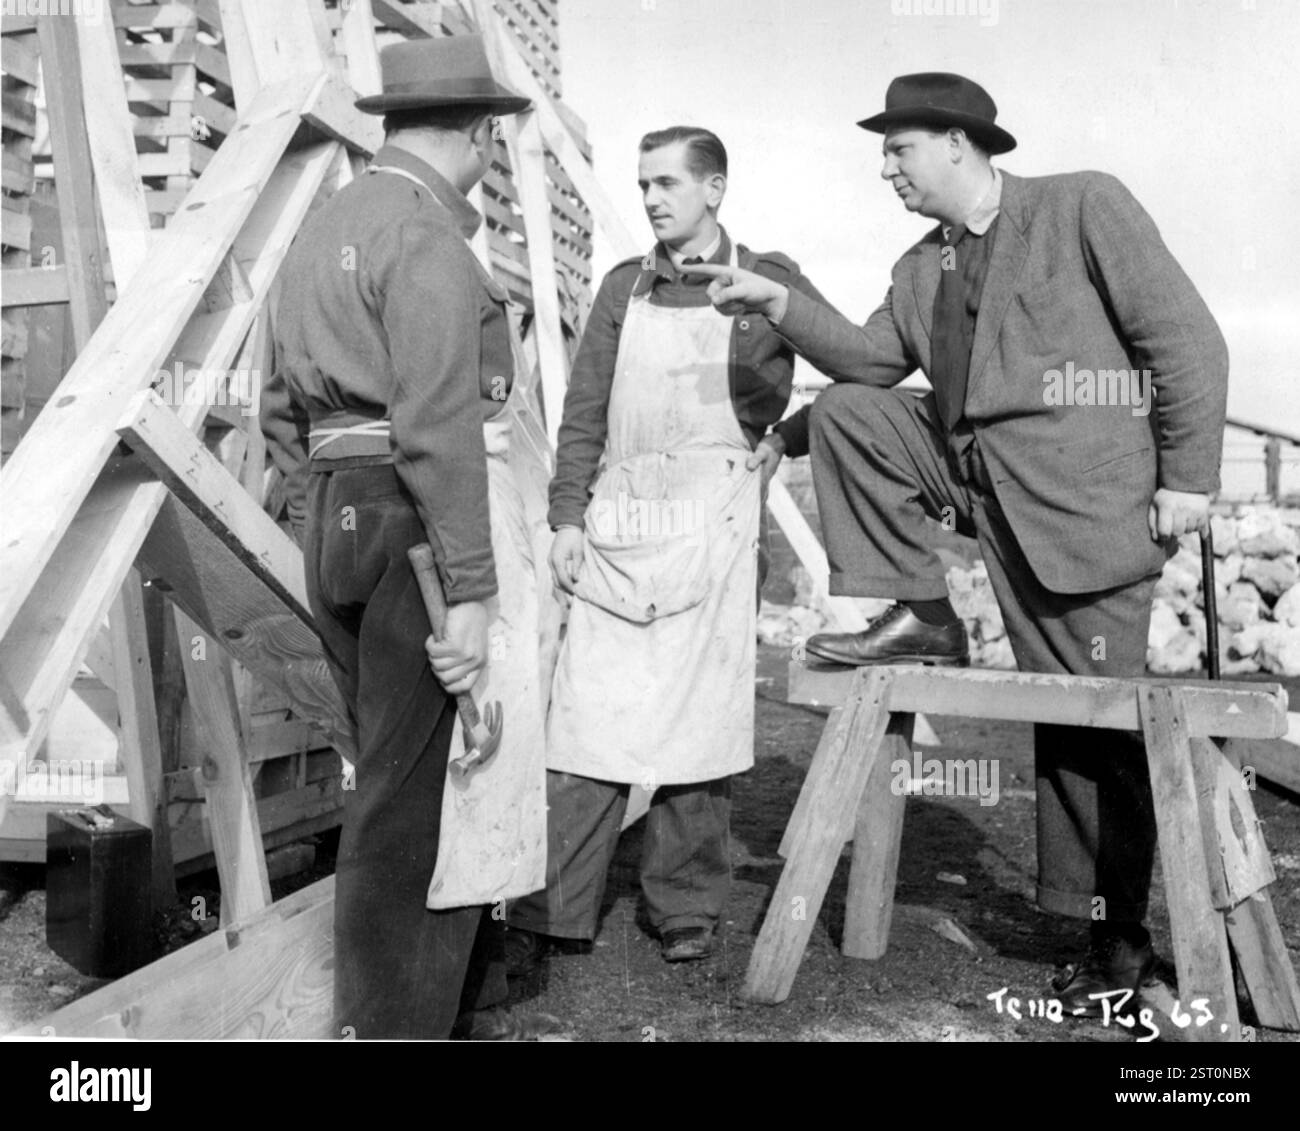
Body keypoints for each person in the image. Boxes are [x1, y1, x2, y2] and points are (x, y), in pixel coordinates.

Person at [689, 73, 1228, 1012]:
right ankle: (925, 614)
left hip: (1087, 512)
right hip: (983, 496)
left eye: (898, 149)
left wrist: (1188, 479)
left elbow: (1188, 341)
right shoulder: (917, 268)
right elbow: (865, 362)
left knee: (1089, 728)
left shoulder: (1081, 205)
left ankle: (1120, 944)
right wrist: (778, 300)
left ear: (957, 142)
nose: (885, 168)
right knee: (853, 410)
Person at [261, 36, 555, 1040]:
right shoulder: (428, 243)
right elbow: (438, 432)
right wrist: (469, 595)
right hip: (412, 530)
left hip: (337, 516)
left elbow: (274, 414)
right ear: (478, 133)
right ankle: (390, 1030)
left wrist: (324, 518)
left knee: (381, 773)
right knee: (413, 804)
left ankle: (382, 1017)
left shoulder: (321, 232)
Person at [506, 126, 837, 968]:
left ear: (714, 188)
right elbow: (582, 415)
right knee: (587, 717)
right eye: (643, 183)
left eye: (667, 183)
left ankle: (684, 905)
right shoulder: (625, 289)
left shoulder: (770, 278)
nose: (651, 199)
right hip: (622, 518)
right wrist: (568, 518)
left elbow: (853, 360)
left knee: (701, 723)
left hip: (715, 518)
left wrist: (788, 438)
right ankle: (554, 905)